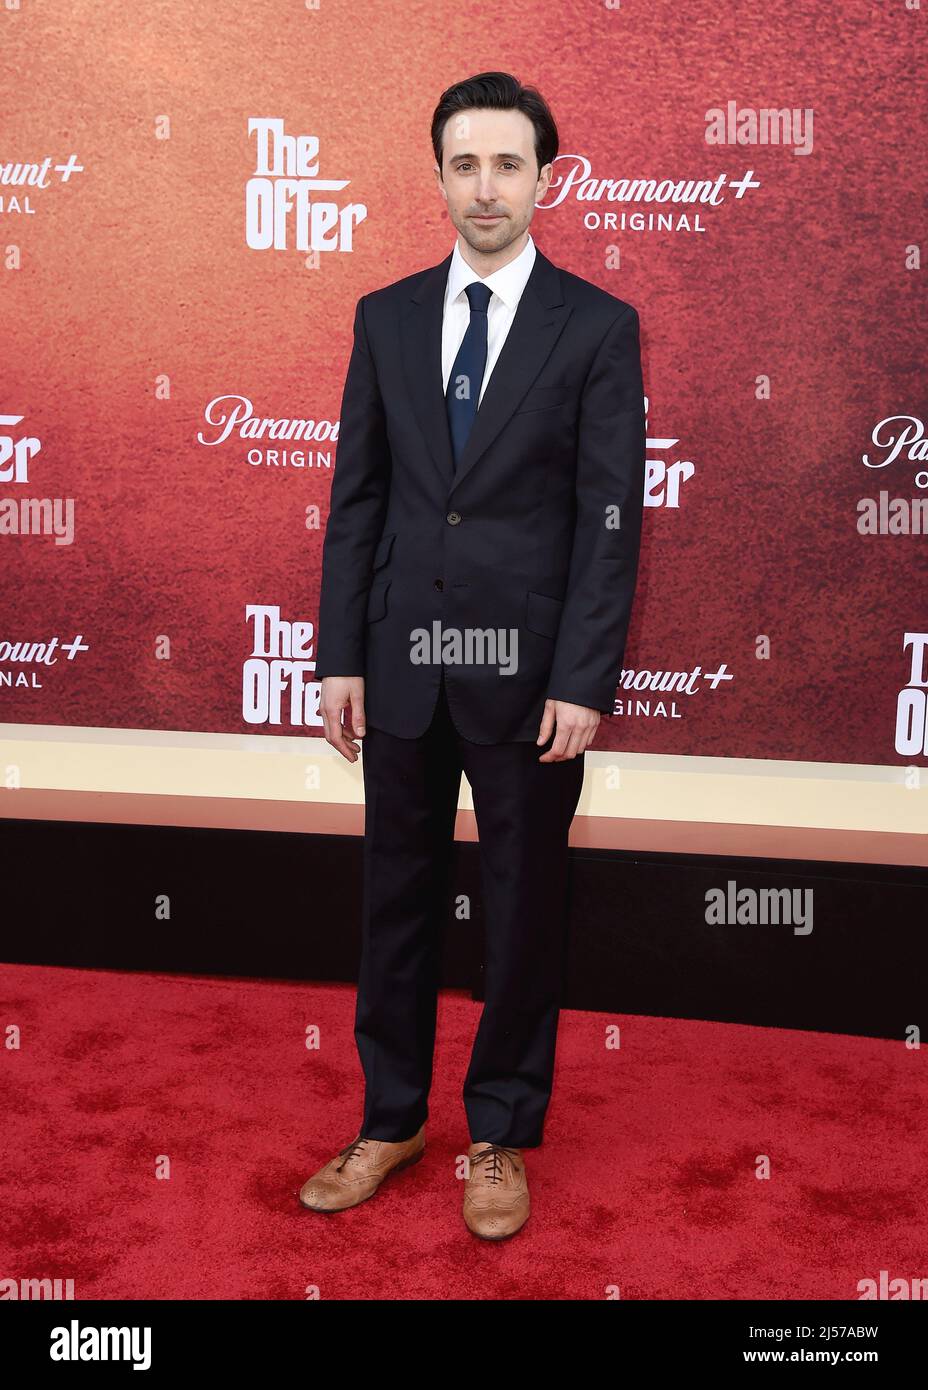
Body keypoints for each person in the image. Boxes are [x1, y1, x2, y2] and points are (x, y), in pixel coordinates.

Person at [299, 71, 646, 1240]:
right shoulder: (384, 315)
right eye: (464, 163)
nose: (485, 187)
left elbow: (611, 518)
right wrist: (337, 652)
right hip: (398, 665)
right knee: (391, 902)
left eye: (507, 163)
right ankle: (390, 1117)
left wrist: (583, 678)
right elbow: (358, 500)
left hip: (529, 679)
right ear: (438, 175)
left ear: (544, 177)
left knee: (518, 909)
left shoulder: (596, 327)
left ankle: (497, 1133)